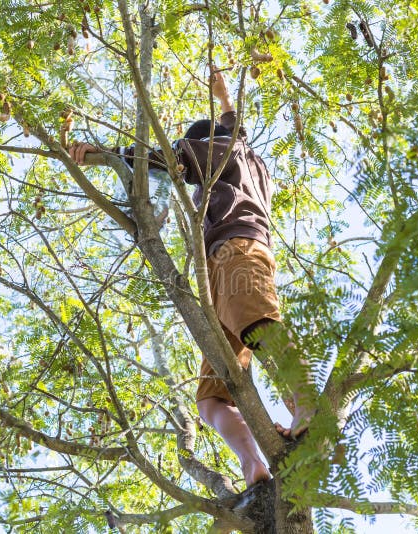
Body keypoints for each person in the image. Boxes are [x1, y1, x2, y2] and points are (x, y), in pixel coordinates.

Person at [69, 71, 313, 489]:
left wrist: (102, 154)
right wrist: (223, 96)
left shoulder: (223, 150)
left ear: (207, 141)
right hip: (220, 263)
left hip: (238, 249)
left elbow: (169, 156)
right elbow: (236, 126)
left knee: (258, 324)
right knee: (210, 398)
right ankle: (252, 464)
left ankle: (307, 402)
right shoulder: (245, 153)